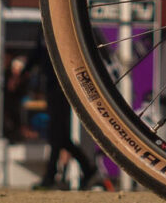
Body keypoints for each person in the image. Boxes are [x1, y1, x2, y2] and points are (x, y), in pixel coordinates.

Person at [32, 42, 110, 191]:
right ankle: (87, 170)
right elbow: (37, 53)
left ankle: (52, 175)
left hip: (61, 87)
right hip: (54, 86)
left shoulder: (50, 32)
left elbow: (38, 53)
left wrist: (25, 72)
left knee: (57, 136)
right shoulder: (43, 33)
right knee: (60, 137)